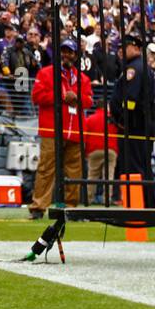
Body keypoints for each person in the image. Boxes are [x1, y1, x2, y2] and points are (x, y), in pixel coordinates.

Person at [29, 39, 93, 218]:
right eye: (63, 51)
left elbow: (89, 100)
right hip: (53, 130)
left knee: (74, 172)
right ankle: (38, 207)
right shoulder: (46, 73)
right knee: (46, 169)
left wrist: (77, 98)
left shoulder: (83, 78)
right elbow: (37, 96)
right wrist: (63, 95)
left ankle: (70, 208)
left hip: (76, 131)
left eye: (70, 52)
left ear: (75, 55)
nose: (66, 55)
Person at [109, 32, 155, 209]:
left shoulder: (134, 69)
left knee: (134, 166)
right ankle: (147, 204)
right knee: (142, 164)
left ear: (136, 48)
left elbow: (130, 100)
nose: (120, 51)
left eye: (124, 47)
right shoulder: (137, 66)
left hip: (134, 125)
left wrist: (123, 119)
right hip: (140, 124)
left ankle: (137, 206)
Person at [82, 104, 121, 205]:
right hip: (111, 150)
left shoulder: (90, 119)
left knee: (92, 176)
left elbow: (85, 136)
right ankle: (107, 200)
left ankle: (88, 199)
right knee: (108, 177)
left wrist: (86, 152)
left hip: (94, 150)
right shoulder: (112, 119)